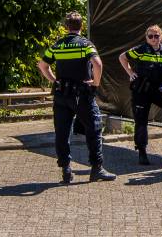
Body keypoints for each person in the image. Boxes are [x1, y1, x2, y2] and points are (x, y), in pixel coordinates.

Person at [37, 12, 116, 184]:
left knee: (62, 132)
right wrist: (95, 82)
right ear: (82, 26)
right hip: (82, 95)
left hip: (61, 95)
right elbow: (98, 63)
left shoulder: (58, 45)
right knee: (94, 129)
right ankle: (97, 168)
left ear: (66, 27)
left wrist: (54, 80)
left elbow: (43, 65)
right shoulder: (85, 44)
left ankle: (66, 170)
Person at [118, 24, 162, 165]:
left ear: (161, 37)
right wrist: (130, 73)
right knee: (141, 121)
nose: (153, 38)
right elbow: (122, 57)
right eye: (150, 36)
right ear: (146, 38)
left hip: (160, 89)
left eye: (156, 36)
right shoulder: (140, 49)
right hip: (142, 91)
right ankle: (142, 151)